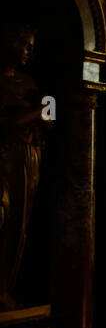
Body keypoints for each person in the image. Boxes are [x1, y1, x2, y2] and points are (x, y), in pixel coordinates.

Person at [0, 24, 44, 310]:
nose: (28, 52)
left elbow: (49, 120)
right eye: (24, 45)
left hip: (28, 154)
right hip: (4, 154)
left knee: (19, 223)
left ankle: (5, 287)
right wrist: (38, 112)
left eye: (31, 47)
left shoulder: (29, 84)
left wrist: (44, 113)